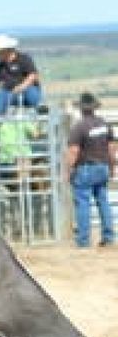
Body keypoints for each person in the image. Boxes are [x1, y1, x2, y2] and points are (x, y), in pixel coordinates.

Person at [64, 92, 115, 248]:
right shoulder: (104, 124)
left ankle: (84, 240)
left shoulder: (79, 127)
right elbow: (112, 148)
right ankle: (108, 237)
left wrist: (68, 170)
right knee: (103, 201)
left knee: (83, 203)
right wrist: (112, 167)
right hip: (103, 166)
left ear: (81, 109)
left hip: (86, 168)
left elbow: (73, 151)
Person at [0, 34, 41, 115]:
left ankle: (40, 109)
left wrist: (22, 87)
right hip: (10, 93)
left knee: (32, 94)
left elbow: (32, 75)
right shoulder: (1, 65)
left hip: (27, 90)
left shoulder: (24, 58)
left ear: (6, 50)